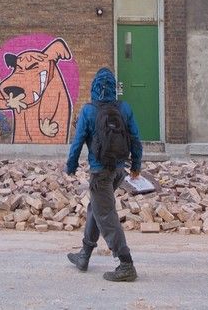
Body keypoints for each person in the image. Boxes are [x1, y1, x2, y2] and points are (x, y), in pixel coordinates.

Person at [65, 67, 143, 282]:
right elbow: (136, 139)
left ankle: (125, 264)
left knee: (106, 214)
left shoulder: (89, 111)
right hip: (118, 170)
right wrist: (136, 165)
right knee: (96, 208)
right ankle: (84, 255)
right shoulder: (124, 108)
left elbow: (77, 141)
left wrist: (70, 166)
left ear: (94, 87)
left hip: (100, 173)